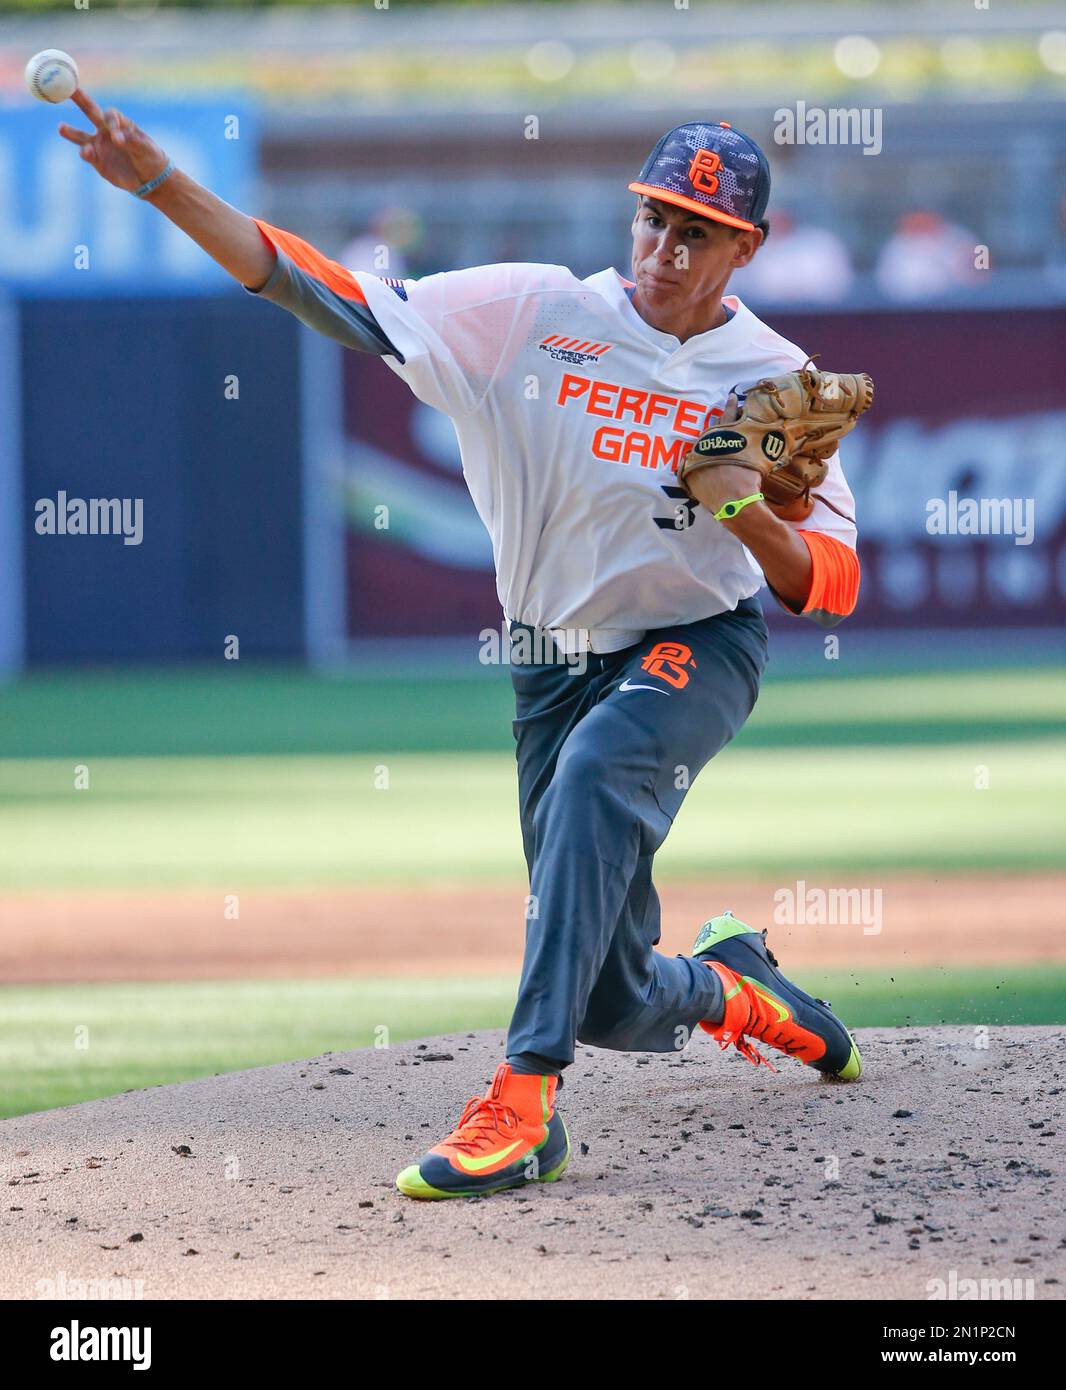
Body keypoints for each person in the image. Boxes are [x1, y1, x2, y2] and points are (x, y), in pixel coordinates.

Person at [61, 99, 865, 1200]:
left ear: (745, 248)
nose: (663, 250)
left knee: (596, 777)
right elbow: (323, 292)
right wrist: (162, 186)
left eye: (695, 232)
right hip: (549, 663)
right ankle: (739, 991)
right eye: (653, 220)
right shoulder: (530, 310)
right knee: (612, 994)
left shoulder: (776, 375)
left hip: (696, 645)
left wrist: (741, 509)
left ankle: (523, 1103)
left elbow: (829, 579)